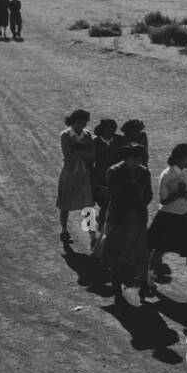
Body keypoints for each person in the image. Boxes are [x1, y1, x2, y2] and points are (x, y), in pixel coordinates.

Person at [148, 142, 187, 301]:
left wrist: (183, 193)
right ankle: (150, 276)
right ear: (180, 158)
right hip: (167, 216)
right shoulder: (166, 175)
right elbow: (163, 200)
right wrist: (179, 193)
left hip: (183, 215)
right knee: (159, 249)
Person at [101, 143, 155, 304]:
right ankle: (117, 284)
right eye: (135, 158)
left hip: (137, 218)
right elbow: (115, 195)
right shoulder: (114, 171)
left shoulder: (144, 172)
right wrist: (135, 203)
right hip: (120, 218)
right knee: (116, 254)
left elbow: (149, 194)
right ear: (127, 157)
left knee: (141, 255)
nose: (138, 161)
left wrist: (139, 204)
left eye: (140, 158)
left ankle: (143, 286)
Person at [56, 110, 96, 245]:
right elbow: (68, 155)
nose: (83, 124)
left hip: (84, 174)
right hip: (70, 174)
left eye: (85, 122)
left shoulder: (88, 135)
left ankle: (91, 235)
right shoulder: (65, 135)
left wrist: (77, 152)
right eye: (80, 121)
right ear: (73, 121)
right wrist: (84, 154)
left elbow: (92, 154)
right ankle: (64, 231)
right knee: (65, 204)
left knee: (88, 205)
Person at [90, 119, 121, 250]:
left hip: (113, 182)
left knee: (106, 208)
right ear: (102, 130)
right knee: (88, 209)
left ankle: (103, 235)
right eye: (108, 129)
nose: (111, 132)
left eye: (113, 130)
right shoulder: (93, 142)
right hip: (96, 181)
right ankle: (91, 236)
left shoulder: (120, 141)